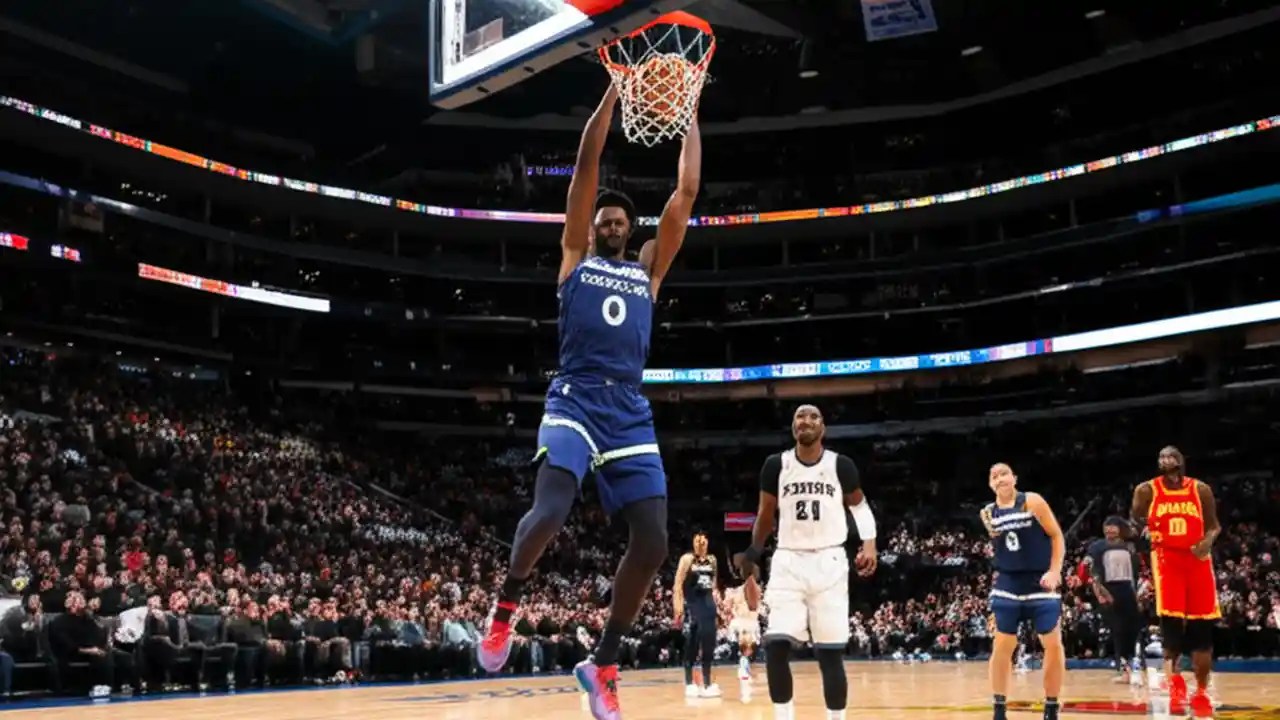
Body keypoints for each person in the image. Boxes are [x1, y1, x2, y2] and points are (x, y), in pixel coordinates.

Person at [476, 82, 701, 720]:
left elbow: (685, 194)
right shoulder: (574, 258)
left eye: (619, 220)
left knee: (655, 541)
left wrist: (688, 113)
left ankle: (602, 663)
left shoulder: (648, 270)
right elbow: (585, 166)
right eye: (603, 217)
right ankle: (504, 611)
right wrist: (610, 95)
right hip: (574, 396)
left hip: (628, 407)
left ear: (630, 232)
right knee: (550, 511)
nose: (609, 222)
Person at [734, 404, 877, 720]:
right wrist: (753, 553)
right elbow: (765, 514)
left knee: (829, 655)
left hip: (830, 560)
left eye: (814, 417)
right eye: (800, 416)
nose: (806, 421)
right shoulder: (776, 465)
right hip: (789, 560)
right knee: (775, 646)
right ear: (793, 427)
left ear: (822, 428)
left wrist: (869, 544)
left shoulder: (841, 465)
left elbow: (860, 507)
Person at [1130, 445, 1220, 718]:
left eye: (1170, 455)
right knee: (1171, 637)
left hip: (1198, 563)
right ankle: (1176, 685)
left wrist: (1206, 542)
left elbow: (1214, 526)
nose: (1165, 459)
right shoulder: (1147, 490)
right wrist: (1144, 526)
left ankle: (1202, 691)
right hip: (1167, 563)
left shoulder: (1200, 489)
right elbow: (1135, 518)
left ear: (1181, 461)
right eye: (1160, 456)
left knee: (1202, 636)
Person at [980, 463, 1065, 720]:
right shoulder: (986, 513)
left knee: (1052, 642)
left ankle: (1051, 706)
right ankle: (999, 709)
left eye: (1004, 473)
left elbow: (1057, 536)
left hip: (1039, 581)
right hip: (1008, 582)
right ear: (990, 484)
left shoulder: (1032, 501)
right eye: (993, 476)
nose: (999, 478)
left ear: (1014, 478)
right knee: (1003, 643)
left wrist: (1054, 571)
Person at [1084, 516, 1144, 686]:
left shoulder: (1130, 546)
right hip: (1109, 588)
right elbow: (1093, 573)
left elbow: (1136, 572)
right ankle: (1122, 668)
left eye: (1113, 527)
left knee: (1132, 629)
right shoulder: (1097, 547)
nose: (1109, 530)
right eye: (1106, 526)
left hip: (1129, 589)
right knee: (1118, 630)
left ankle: (1131, 664)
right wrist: (1101, 593)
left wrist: (1138, 594)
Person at [673, 531, 720, 698]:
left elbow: (714, 585)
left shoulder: (712, 560)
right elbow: (678, 584)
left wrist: (719, 604)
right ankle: (689, 681)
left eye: (704, 540)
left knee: (709, 640)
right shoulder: (687, 559)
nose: (701, 543)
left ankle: (707, 682)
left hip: (708, 603)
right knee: (693, 640)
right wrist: (677, 607)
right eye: (698, 540)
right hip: (693, 603)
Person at [725, 570, 762, 702]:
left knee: (746, 650)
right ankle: (743, 670)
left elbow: (728, 608)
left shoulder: (735, 592)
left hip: (744, 620)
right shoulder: (748, 589)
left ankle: (744, 669)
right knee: (746, 650)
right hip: (746, 621)